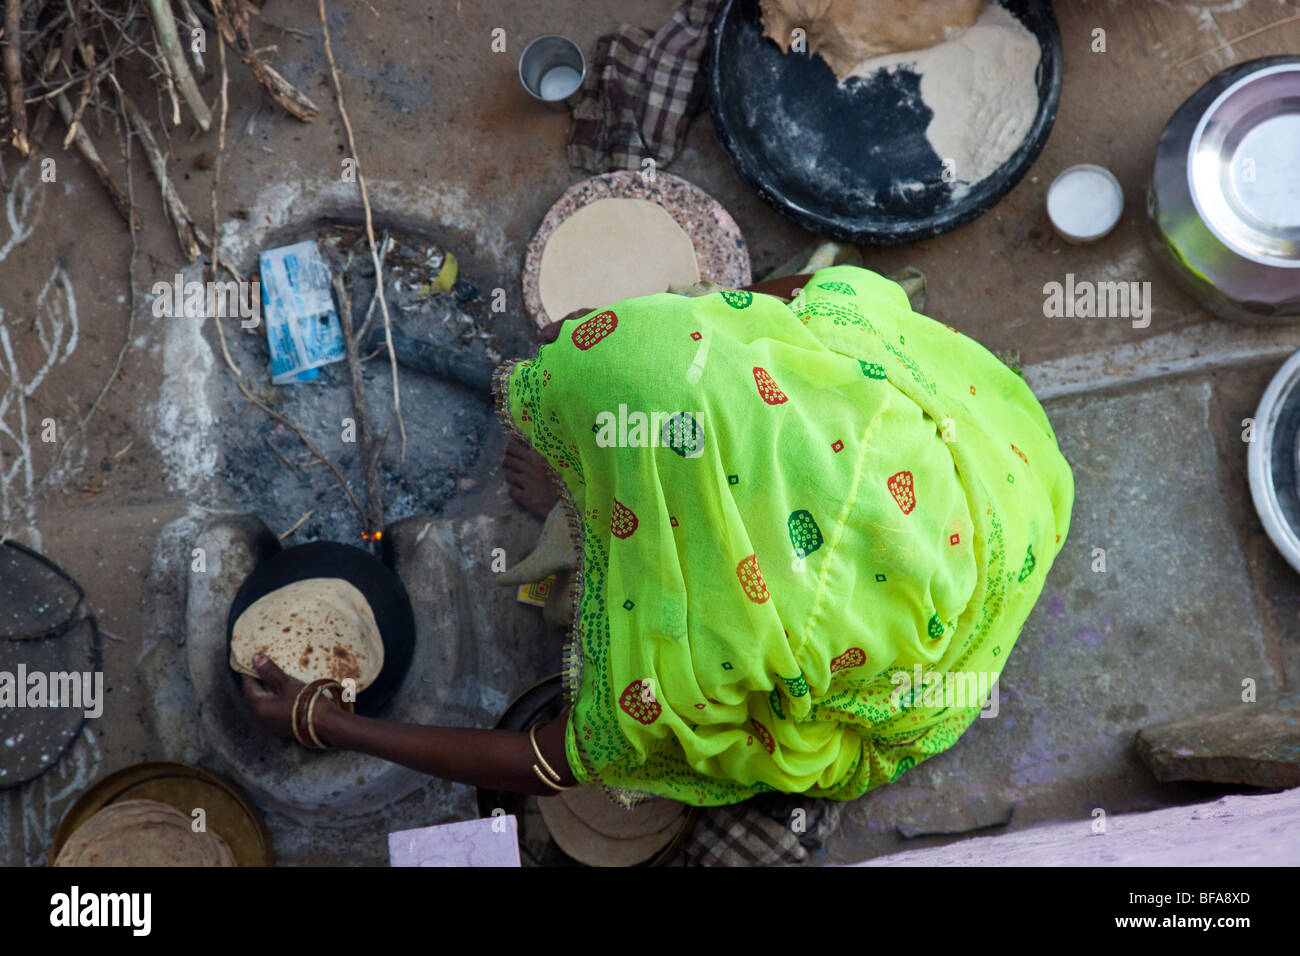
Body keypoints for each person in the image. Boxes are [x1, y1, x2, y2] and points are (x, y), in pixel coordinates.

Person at [243, 264, 1073, 806]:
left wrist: (330, 725)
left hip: (897, 684)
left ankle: (594, 511)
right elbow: (778, 296)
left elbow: (539, 762)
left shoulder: (687, 666)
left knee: (607, 616)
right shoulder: (833, 339)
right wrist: (617, 341)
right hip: (996, 477)